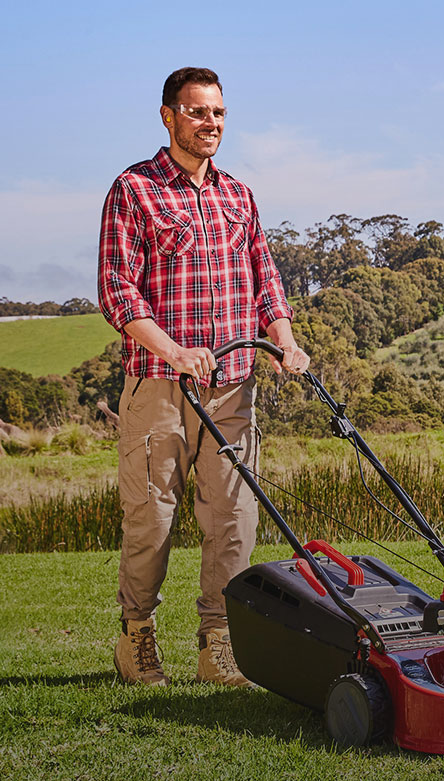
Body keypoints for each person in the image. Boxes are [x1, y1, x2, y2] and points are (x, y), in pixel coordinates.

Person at [98, 66, 310, 687]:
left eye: (218, 113)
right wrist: (176, 351)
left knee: (233, 521)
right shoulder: (134, 189)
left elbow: (265, 280)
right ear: (168, 116)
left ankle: (219, 644)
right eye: (196, 112)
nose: (210, 123)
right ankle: (136, 635)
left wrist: (285, 343)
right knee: (151, 521)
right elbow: (117, 293)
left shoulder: (238, 195)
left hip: (233, 387)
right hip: (159, 389)